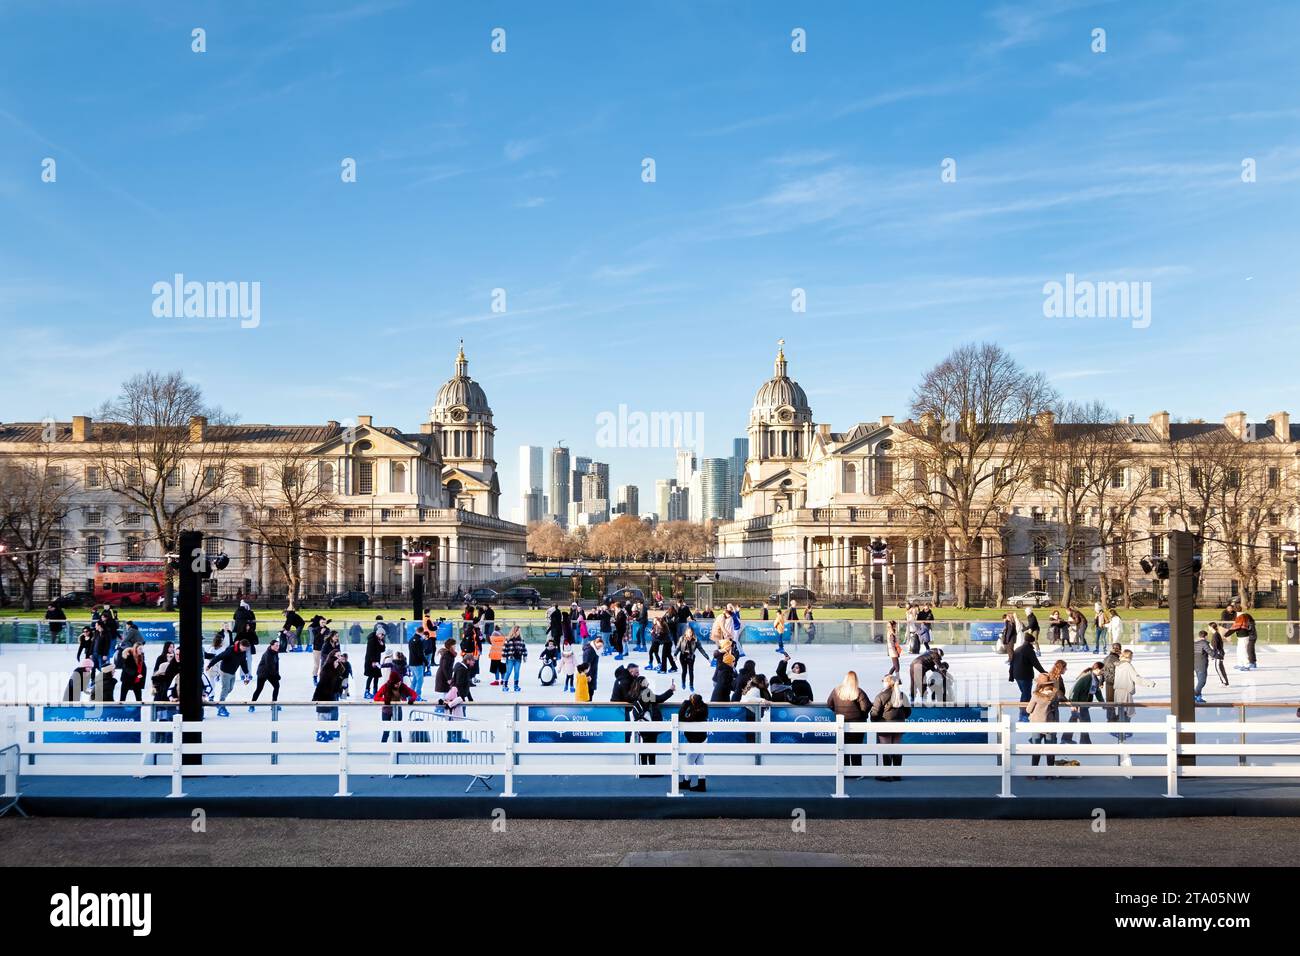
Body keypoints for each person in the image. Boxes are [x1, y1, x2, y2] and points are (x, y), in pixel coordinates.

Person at [1111, 649, 1156, 766]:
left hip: (1118, 692)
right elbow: (1136, 678)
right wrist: (1149, 683)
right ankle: (1121, 734)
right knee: (1126, 713)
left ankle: (1121, 733)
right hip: (1125, 692)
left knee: (1122, 712)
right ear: (1129, 656)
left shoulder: (1119, 665)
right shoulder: (1127, 666)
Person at [870, 673, 912, 781]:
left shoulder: (881, 696)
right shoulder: (902, 695)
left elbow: (875, 713)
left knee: (886, 748)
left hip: (885, 725)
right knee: (896, 748)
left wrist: (875, 721)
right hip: (899, 725)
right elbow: (908, 712)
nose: (882, 683)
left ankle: (887, 774)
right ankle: (897, 774)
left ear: (888, 683)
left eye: (883, 681)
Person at [629, 673, 675, 769]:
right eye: (646, 680)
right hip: (649, 723)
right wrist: (670, 690)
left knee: (645, 745)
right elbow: (660, 699)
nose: (647, 682)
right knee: (651, 746)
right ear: (642, 683)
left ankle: (644, 768)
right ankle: (651, 769)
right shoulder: (646, 692)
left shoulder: (635, 693)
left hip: (641, 723)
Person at [827, 671, 871, 770]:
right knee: (856, 747)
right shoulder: (858, 691)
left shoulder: (836, 691)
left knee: (843, 747)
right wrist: (862, 716)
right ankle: (856, 771)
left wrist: (837, 711)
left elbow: (829, 703)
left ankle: (844, 770)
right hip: (857, 724)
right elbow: (866, 706)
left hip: (841, 723)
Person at [1061, 662, 1104, 745]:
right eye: (1102, 670)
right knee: (1085, 721)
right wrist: (1074, 704)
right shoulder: (1087, 677)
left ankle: (1066, 738)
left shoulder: (1094, 678)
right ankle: (1084, 742)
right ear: (1097, 669)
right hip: (1079, 703)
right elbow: (1076, 689)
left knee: (1075, 720)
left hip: (1083, 703)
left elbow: (1097, 692)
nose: (1103, 672)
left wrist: (1102, 703)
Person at [209, 638, 252, 717]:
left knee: (230, 688)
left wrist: (246, 673)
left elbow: (243, 662)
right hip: (225, 671)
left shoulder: (243, 652)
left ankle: (221, 702)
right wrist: (209, 665)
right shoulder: (230, 650)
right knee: (225, 688)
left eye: (246, 648)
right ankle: (221, 706)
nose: (245, 650)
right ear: (240, 645)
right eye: (244, 648)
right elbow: (219, 657)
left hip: (232, 672)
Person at [1024, 681, 1059, 776]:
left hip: (1037, 726)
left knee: (1036, 749)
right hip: (1050, 726)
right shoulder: (1054, 696)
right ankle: (1050, 774)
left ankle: (1033, 774)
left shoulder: (1036, 696)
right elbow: (1056, 710)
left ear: (1040, 686)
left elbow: (1028, 709)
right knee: (1050, 750)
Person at [376, 668, 418, 744]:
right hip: (386, 710)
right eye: (396, 684)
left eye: (399, 682)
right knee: (386, 730)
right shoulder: (385, 686)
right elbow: (376, 697)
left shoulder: (402, 686)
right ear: (392, 683)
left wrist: (412, 699)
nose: (398, 685)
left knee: (398, 729)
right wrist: (385, 700)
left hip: (397, 710)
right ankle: (382, 746)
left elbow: (413, 693)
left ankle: (399, 747)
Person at [1009, 635, 1046, 718]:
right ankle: (1024, 713)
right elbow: (1035, 663)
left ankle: (1024, 711)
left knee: (1024, 693)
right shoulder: (1029, 650)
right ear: (1031, 642)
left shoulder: (1018, 649)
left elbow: (1012, 663)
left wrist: (1011, 675)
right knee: (1026, 695)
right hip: (1025, 676)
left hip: (1017, 675)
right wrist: (1043, 672)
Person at [678, 694, 709, 791]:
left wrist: (684, 704)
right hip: (701, 738)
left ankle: (687, 782)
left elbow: (681, 718)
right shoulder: (703, 707)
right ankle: (701, 784)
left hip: (696, 740)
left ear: (693, 702)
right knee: (699, 761)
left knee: (689, 760)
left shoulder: (697, 712)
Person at [251, 635, 281, 709]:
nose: (278, 647)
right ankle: (252, 705)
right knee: (259, 689)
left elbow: (276, 664)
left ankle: (274, 704)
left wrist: (277, 673)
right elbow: (269, 667)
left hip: (270, 672)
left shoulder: (275, 652)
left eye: (278, 645)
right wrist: (276, 675)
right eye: (276, 645)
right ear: (271, 646)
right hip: (263, 673)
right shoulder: (268, 654)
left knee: (276, 686)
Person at [676, 623, 708, 692]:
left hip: (691, 657)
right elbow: (678, 647)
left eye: (691, 632)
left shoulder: (696, 640)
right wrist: (675, 655)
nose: (690, 633)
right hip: (683, 656)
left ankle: (691, 685)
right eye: (688, 632)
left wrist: (707, 657)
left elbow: (701, 649)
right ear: (686, 633)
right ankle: (683, 682)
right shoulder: (682, 638)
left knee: (691, 671)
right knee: (684, 671)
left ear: (692, 633)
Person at [364, 620, 387, 699]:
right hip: (370, 661)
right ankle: (366, 691)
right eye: (382, 635)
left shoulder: (380, 640)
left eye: (384, 635)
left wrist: (382, 644)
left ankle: (375, 691)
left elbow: (382, 650)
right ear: (378, 633)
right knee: (370, 676)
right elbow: (370, 651)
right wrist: (373, 661)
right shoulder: (372, 640)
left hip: (377, 661)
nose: (383, 637)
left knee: (376, 676)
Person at [501, 625, 527, 692]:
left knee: (517, 672)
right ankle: (505, 685)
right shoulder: (508, 639)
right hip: (510, 658)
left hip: (518, 658)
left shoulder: (521, 640)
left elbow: (524, 648)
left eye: (520, 631)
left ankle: (516, 686)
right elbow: (504, 649)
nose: (519, 632)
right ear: (515, 631)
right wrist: (503, 657)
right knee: (508, 672)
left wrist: (525, 656)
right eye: (518, 630)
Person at [407, 626, 429, 701]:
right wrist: (426, 661)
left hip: (411, 662)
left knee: (415, 679)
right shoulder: (419, 641)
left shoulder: (411, 640)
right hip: (417, 663)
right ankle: (417, 695)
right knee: (420, 680)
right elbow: (420, 653)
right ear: (422, 632)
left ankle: (410, 695)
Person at [1102, 642, 1122, 721]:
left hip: (1108, 683)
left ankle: (1110, 719)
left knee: (1110, 702)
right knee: (1116, 702)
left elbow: (1102, 671)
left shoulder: (1106, 658)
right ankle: (1112, 720)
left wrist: (1101, 681)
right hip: (1115, 683)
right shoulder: (1117, 660)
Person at [1207, 622, 1230, 687]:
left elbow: (1215, 647)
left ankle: (1225, 683)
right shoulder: (1216, 634)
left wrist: (1213, 655)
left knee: (1219, 668)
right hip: (1219, 653)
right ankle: (1224, 682)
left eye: (1209, 627)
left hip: (1218, 654)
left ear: (1211, 627)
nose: (1208, 628)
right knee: (1220, 668)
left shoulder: (1215, 635)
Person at [1193, 630, 1211, 703]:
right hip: (1202, 665)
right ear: (1206, 636)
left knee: (1200, 681)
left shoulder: (1195, 643)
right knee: (1202, 682)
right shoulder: (1204, 643)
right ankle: (1195, 695)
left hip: (1196, 665)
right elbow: (1210, 652)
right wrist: (1219, 656)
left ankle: (1198, 697)